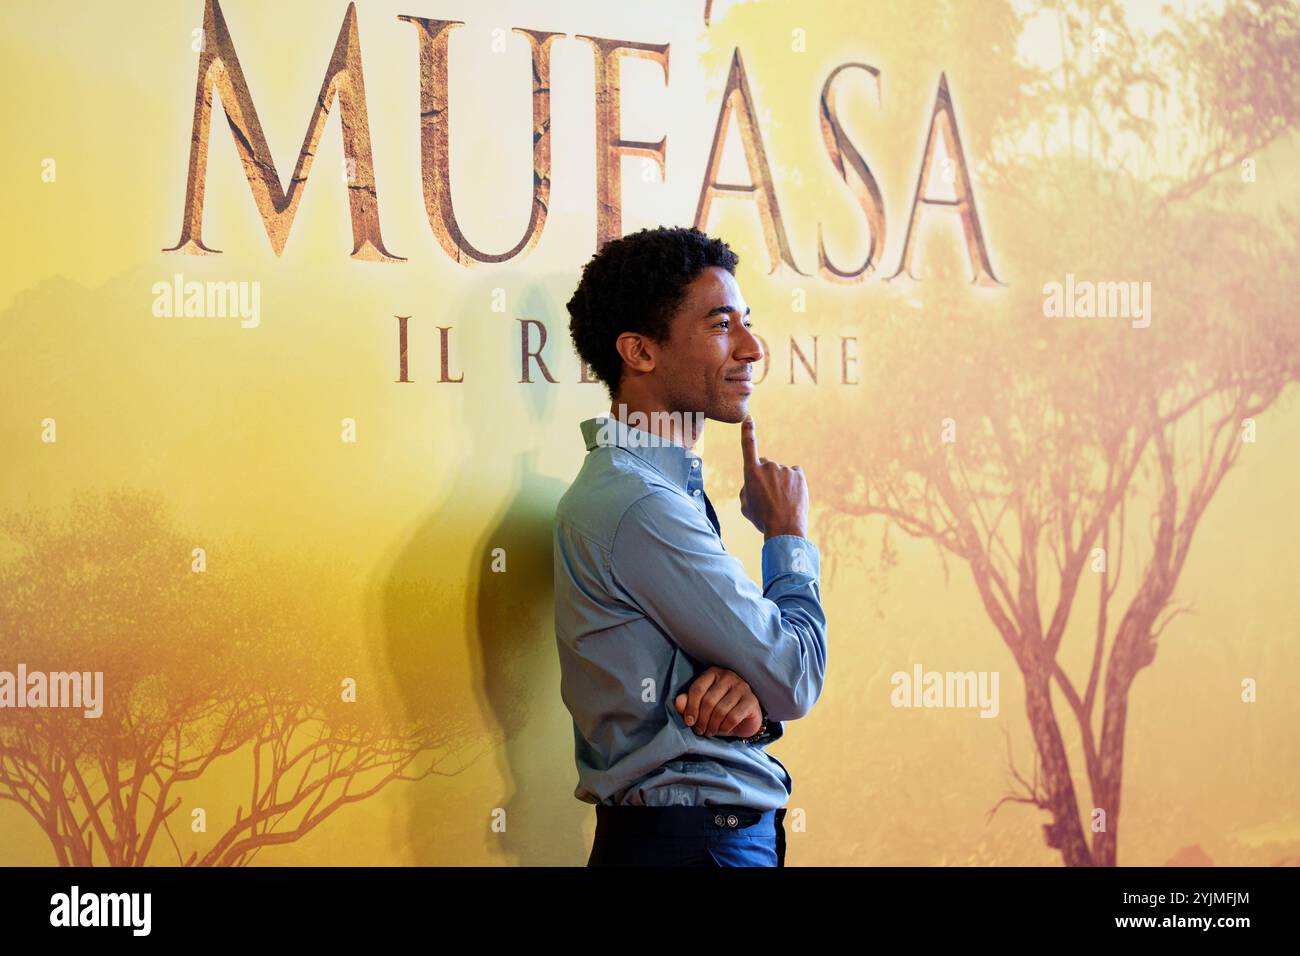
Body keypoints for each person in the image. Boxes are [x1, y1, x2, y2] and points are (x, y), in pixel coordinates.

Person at [553, 225, 828, 866]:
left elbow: (769, 685)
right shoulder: (641, 504)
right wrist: (788, 535)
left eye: (747, 322)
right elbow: (796, 674)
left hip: (698, 841)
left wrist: (751, 696)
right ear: (640, 353)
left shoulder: (650, 491)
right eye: (721, 325)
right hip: (695, 848)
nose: (753, 348)